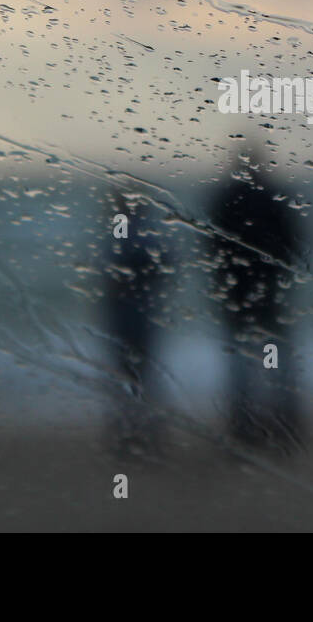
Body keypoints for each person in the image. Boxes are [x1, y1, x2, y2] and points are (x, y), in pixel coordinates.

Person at [207, 143, 308, 452]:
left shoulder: (226, 196)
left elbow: (212, 245)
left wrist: (223, 279)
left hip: (238, 291)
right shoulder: (272, 195)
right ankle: (282, 426)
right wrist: (280, 273)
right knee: (273, 359)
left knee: (244, 362)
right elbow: (296, 243)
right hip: (268, 290)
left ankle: (245, 427)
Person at [102, 188, 171, 453]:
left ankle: (129, 433)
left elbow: (107, 270)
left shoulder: (120, 233)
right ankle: (148, 433)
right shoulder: (149, 232)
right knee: (145, 375)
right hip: (145, 313)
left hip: (125, 315)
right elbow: (166, 264)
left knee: (125, 376)